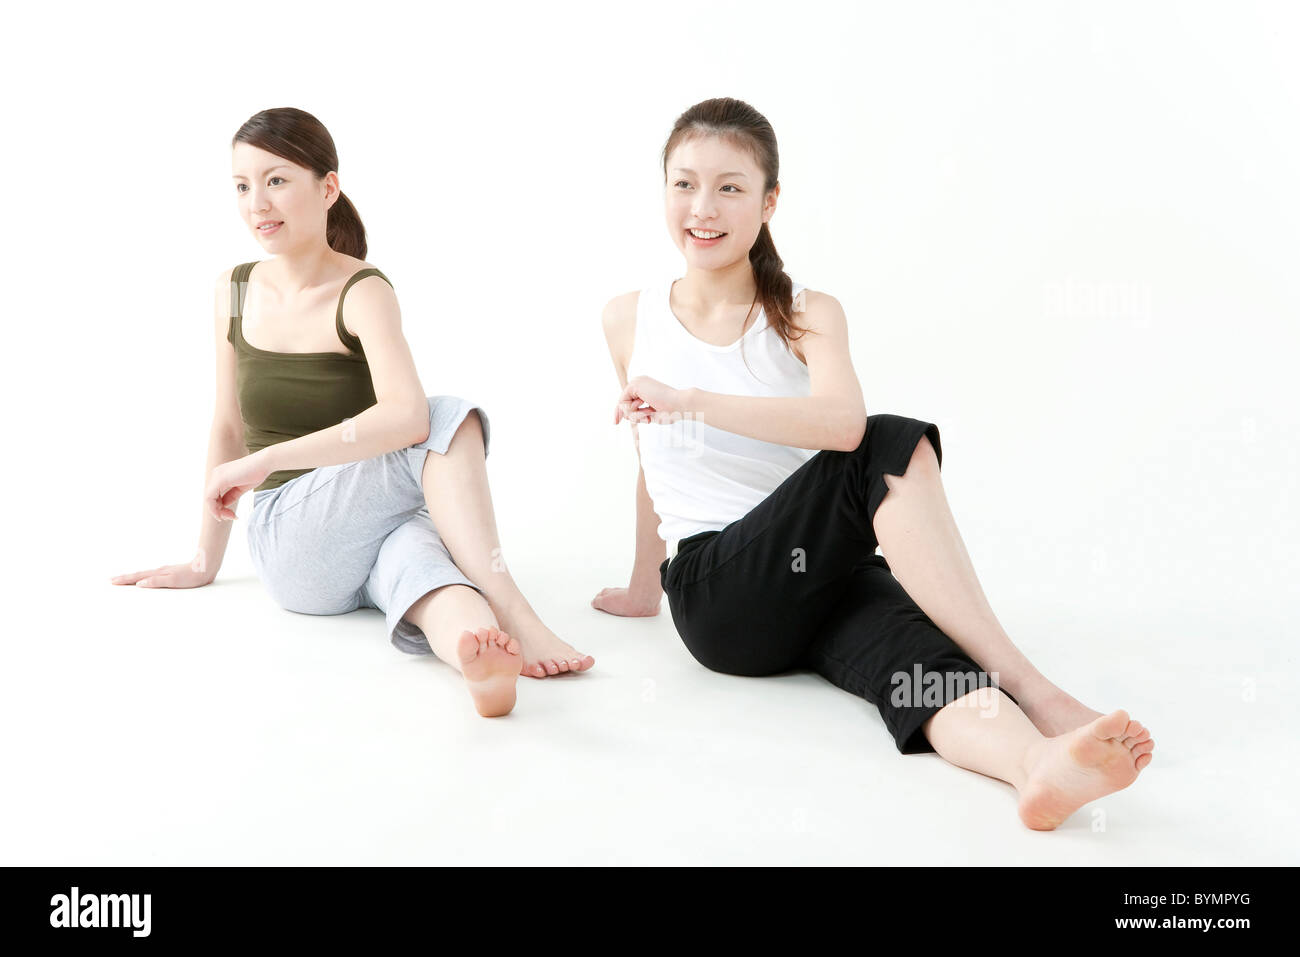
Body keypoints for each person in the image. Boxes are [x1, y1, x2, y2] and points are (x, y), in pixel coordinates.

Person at [592, 97, 1155, 829]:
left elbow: (837, 420)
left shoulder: (806, 309)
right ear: (663, 188)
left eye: (730, 186)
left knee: (922, 661)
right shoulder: (628, 316)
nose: (703, 206)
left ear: (770, 201)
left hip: (818, 570)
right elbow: (653, 455)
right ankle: (1034, 687)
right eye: (684, 183)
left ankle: (1033, 767)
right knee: (889, 442)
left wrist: (691, 399)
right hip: (719, 593)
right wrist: (646, 586)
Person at [111, 107, 593, 718]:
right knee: (451, 416)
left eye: (277, 179)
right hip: (292, 536)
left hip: (369, 527)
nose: (257, 201)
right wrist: (204, 560)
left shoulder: (362, 289)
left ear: (328, 187)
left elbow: (402, 420)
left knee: (430, 574)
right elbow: (229, 425)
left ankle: (478, 655)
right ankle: (517, 613)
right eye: (242, 185)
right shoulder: (233, 288)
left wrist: (261, 461)